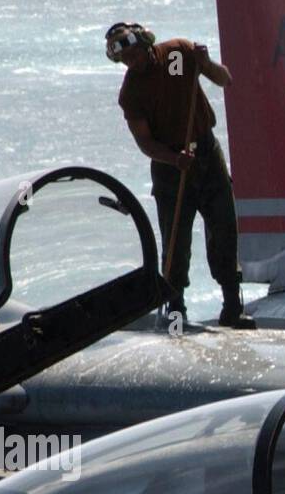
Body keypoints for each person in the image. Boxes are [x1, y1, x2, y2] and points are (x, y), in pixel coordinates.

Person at [106, 21, 253, 329]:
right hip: (170, 168)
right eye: (125, 59)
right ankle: (176, 309)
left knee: (224, 227)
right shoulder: (131, 92)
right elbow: (145, 142)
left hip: (207, 156)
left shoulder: (177, 54)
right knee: (176, 240)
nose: (132, 62)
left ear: (146, 43)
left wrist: (205, 63)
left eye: (134, 54)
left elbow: (224, 79)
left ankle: (232, 305)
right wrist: (174, 158)